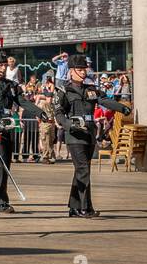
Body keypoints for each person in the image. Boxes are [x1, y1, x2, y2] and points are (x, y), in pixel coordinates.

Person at [53, 53, 130, 217]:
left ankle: (74, 207)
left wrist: (121, 108)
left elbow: (104, 101)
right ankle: (85, 207)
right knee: (83, 170)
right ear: (71, 71)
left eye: (84, 69)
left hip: (89, 133)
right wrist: (68, 126)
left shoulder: (91, 90)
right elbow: (59, 113)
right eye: (79, 69)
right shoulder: (64, 91)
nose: (83, 72)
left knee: (82, 170)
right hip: (74, 136)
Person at [0, 50, 45, 213]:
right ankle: (1, 201)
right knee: (0, 165)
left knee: (5, 164)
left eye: (5, 65)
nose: (3, 68)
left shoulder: (11, 85)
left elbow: (22, 102)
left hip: (8, 127)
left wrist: (39, 112)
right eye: (0, 65)